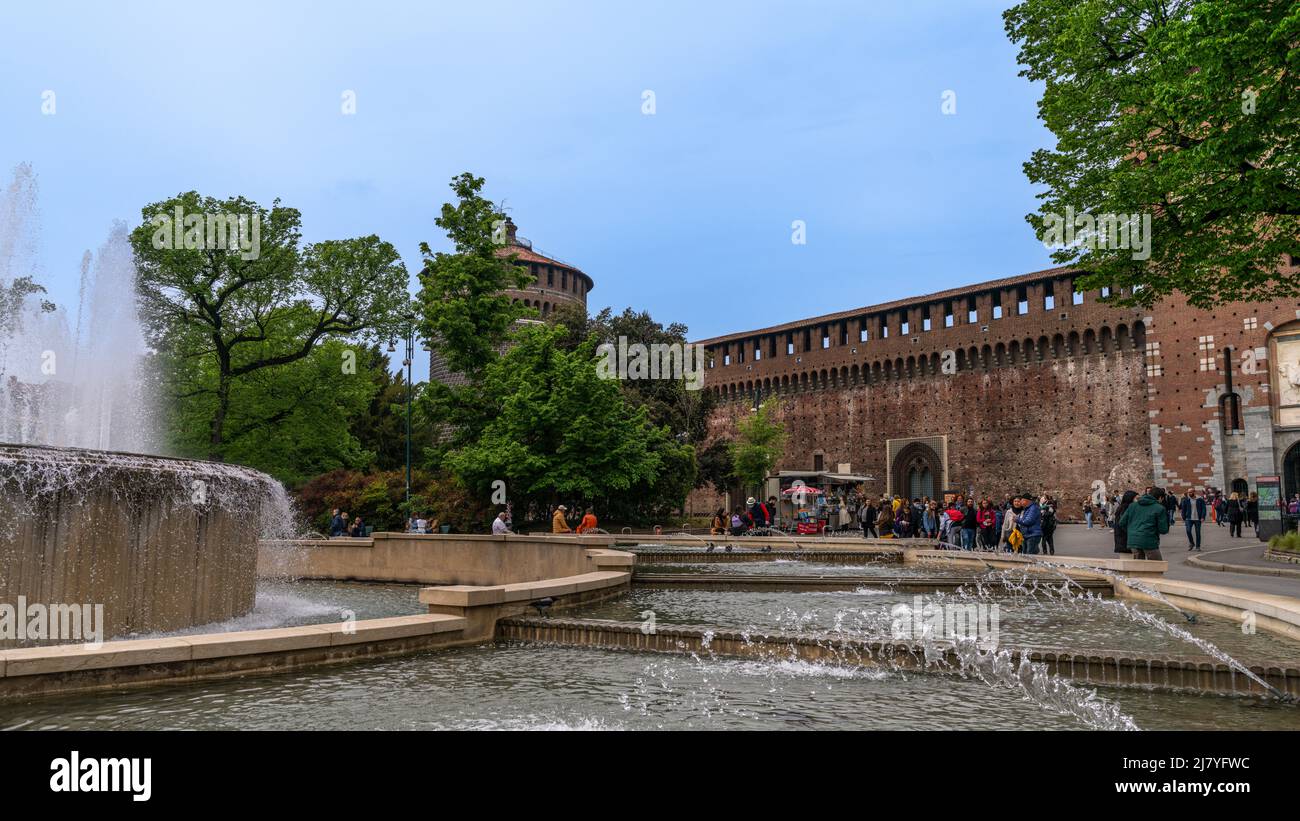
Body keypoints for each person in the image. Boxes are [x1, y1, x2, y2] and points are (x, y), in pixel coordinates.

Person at [1118, 487, 1170, 560]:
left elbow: (1121, 523)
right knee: (1157, 566)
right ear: (1160, 498)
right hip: (1149, 541)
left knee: (1138, 567)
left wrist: (1131, 531)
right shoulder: (1159, 508)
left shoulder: (1132, 505)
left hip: (1133, 540)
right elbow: (1163, 530)